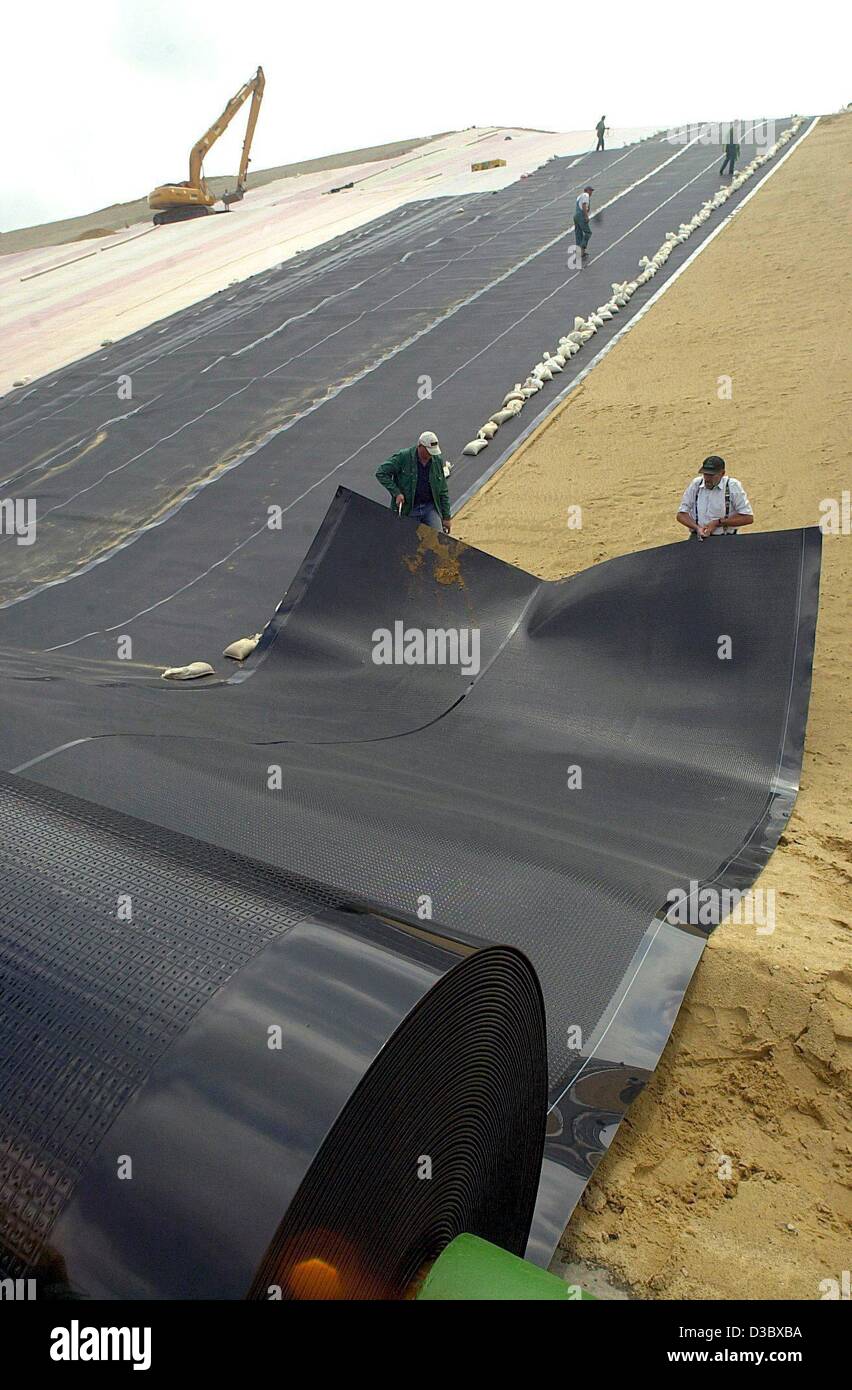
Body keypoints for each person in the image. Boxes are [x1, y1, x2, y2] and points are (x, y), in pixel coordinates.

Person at [376, 430, 451, 533]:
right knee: (408, 541)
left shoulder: (436, 460)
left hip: (429, 508)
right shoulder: (403, 457)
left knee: (437, 539)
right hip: (409, 510)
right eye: (428, 451)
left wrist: (446, 517)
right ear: (420, 446)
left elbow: (443, 490)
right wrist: (396, 493)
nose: (431, 455)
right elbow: (381, 472)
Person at [676, 455, 754, 539]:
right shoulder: (696, 484)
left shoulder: (732, 486)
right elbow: (681, 514)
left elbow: (748, 517)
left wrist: (718, 522)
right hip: (697, 537)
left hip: (725, 539)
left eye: (711, 475)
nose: (707, 478)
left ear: (722, 473)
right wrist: (697, 528)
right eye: (705, 474)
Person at [574, 186, 593, 262]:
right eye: (591, 190)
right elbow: (584, 205)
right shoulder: (585, 195)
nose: (591, 192)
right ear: (587, 190)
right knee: (588, 233)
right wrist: (586, 216)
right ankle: (582, 249)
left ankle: (579, 251)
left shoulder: (579, 196)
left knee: (578, 233)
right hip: (581, 215)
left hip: (576, 216)